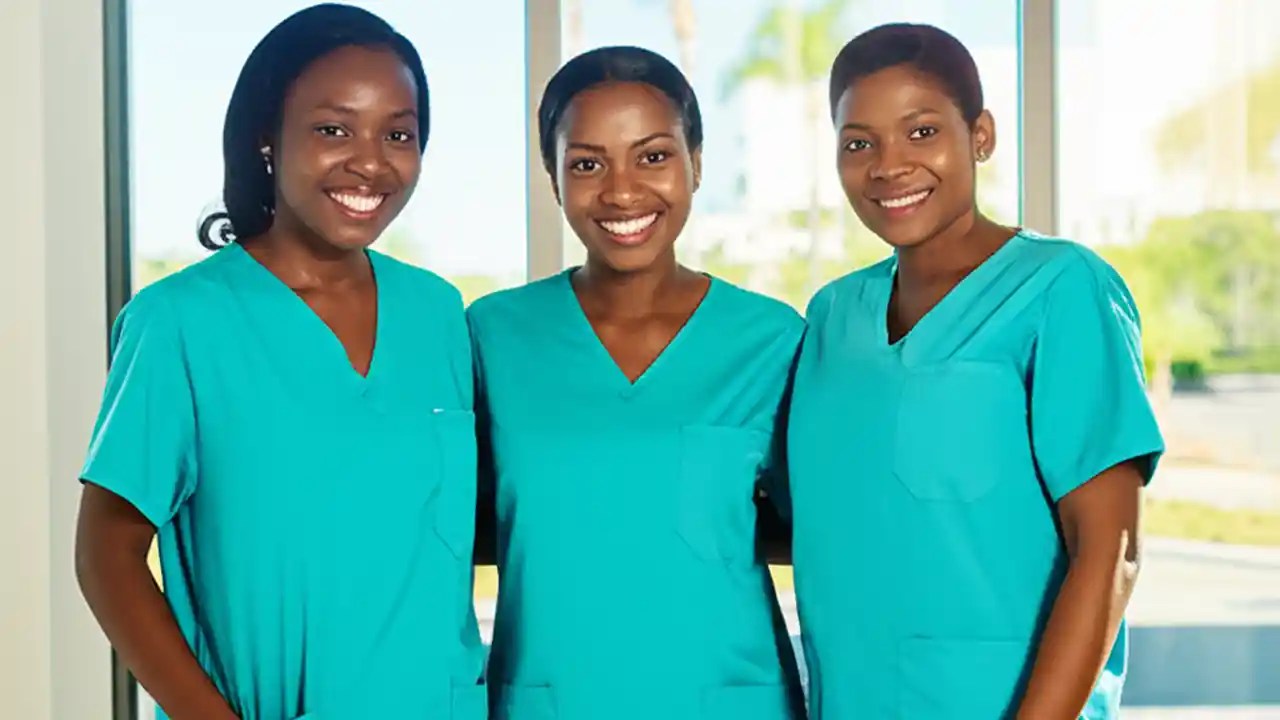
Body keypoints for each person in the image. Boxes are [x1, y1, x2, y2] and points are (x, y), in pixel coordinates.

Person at [74, 5, 486, 719]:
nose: (369, 160)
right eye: (333, 129)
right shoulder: (179, 322)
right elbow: (106, 559)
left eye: (398, 133)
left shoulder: (439, 313)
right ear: (267, 136)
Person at [787, 23, 1165, 720]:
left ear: (980, 136)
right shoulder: (833, 316)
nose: (888, 165)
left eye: (922, 132)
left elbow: (1111, 548)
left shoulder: (1060, 290)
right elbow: (819, 517)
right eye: (858, 142)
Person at [467, 46, 806, 720]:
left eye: (652, 155)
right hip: (549, 698)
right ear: (553, 176)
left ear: (697, 163)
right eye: (587, 164)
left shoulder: (772, 339)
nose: (621, 191)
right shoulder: (492, 336)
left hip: (732, 700)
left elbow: (825, 528)